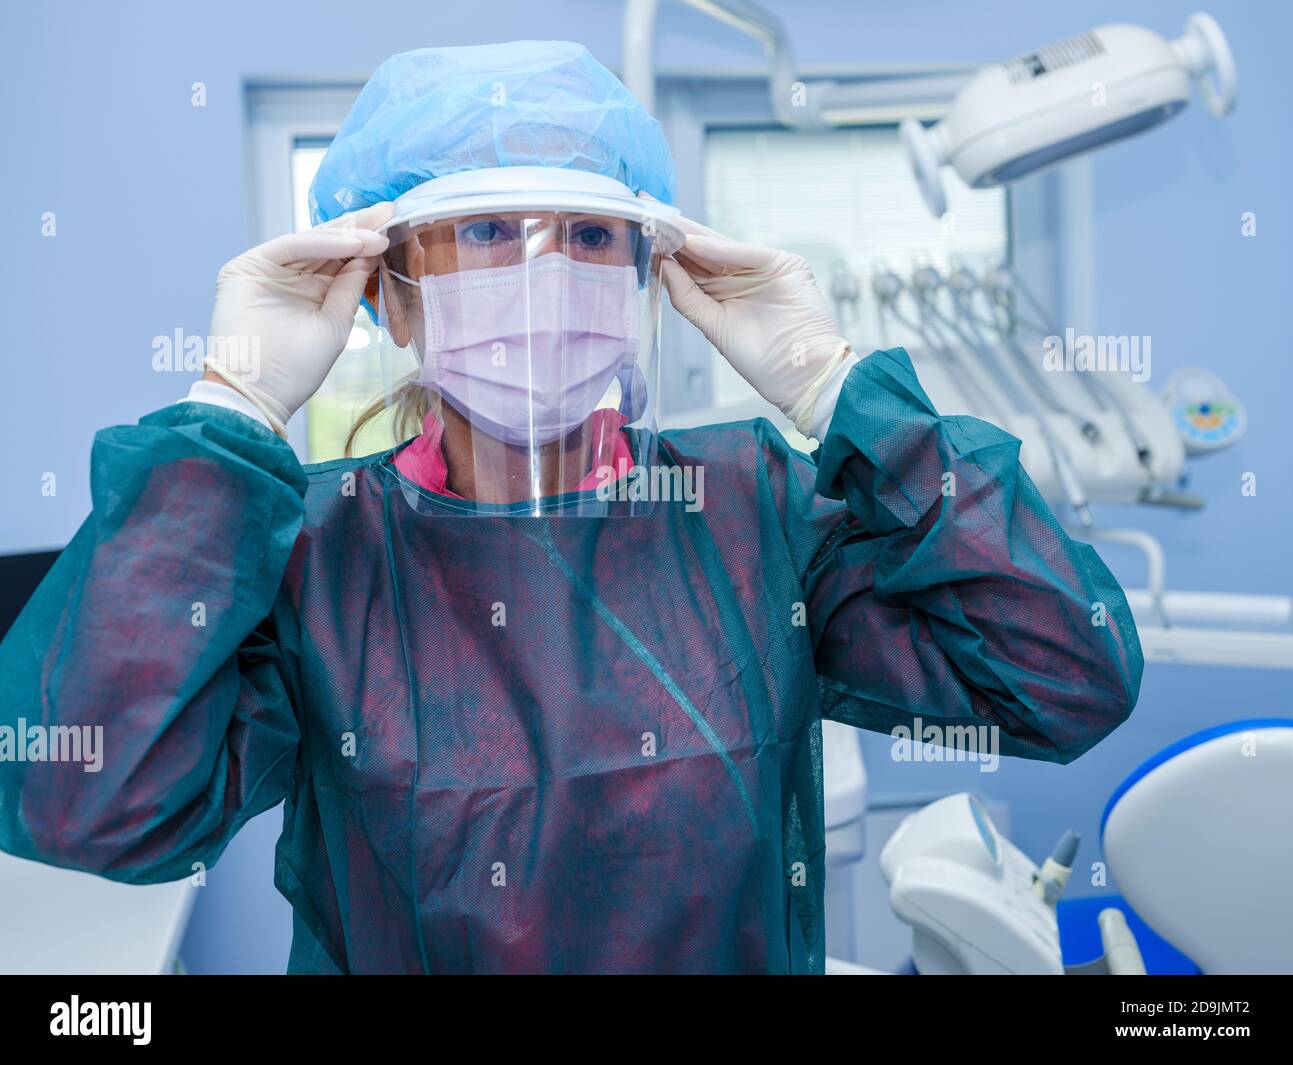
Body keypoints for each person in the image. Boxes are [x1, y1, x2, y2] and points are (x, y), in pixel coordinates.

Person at [0, 42, 1142, 974]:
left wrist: (837, 386)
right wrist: (233, 409)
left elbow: (1062, 682)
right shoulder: (317, 551)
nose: (542, 277)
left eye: (590, 235)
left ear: (641, 278)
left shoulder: (753, 511)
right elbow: (88, 799)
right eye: (487, 230)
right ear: (390, 294)